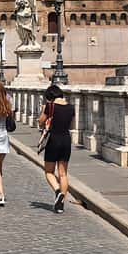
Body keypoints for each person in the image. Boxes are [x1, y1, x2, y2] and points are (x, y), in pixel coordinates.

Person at [38, 84, 75, 214]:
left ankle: (58, 191)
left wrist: (44, 110)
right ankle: (60, 204)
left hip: (53, 139)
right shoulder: (71, 107)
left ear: (49, 97)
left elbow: (40, 121)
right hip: (66, 139)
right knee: (63, 173)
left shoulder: (50, 106)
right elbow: (72, 125)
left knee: (48, 171)